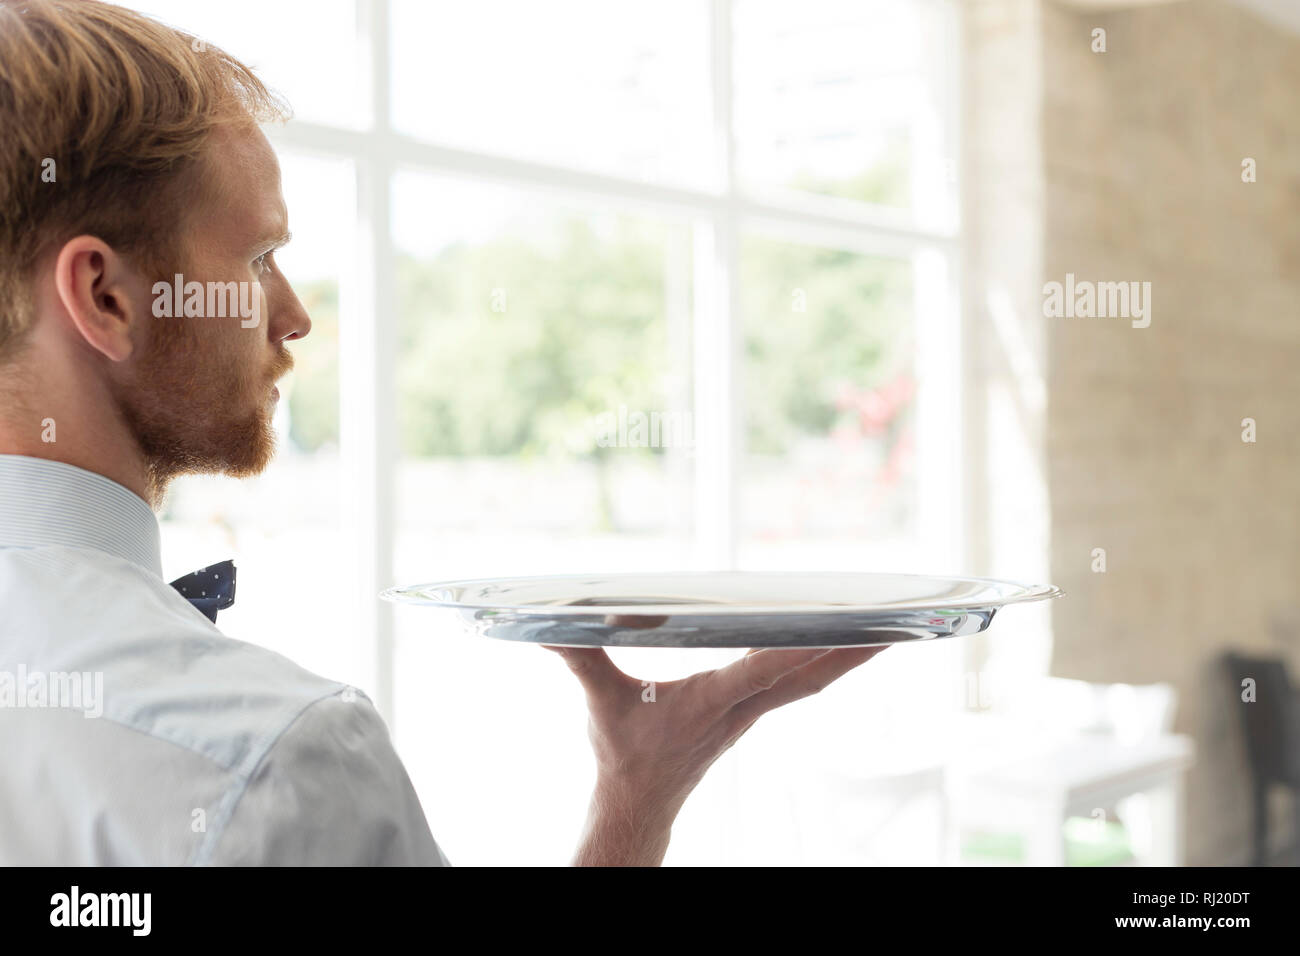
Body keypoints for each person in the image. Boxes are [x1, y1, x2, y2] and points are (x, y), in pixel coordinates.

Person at [0, 0, 886, 866]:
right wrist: (641, 791)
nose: (295, 315)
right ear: (108, 297)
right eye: (260, 259)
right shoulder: (274, 760)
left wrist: (634, 788)